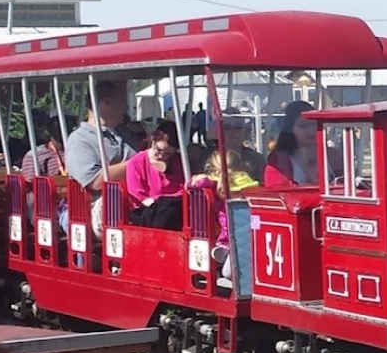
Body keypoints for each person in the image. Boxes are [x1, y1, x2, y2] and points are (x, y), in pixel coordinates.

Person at [62, 80, 137, 237]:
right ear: (106, 102)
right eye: (123, 102)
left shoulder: (122, 135)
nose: (126, 108)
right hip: (96, 209)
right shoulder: (80, 140)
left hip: (130, 200)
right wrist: (138, 164)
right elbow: (95, 180)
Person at [189, 148, 260, 282]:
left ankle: (225, 251)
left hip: (235, 232)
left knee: (228, 273)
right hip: (245, 231)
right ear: (240, 165)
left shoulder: (214, 182)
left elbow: (193, 185)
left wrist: (197, 178)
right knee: (229, 267)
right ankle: (224, 251)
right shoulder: (246, 180)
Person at [125, 121, 184, 230]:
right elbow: (139, 197)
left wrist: (162, 200)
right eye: (159, 150)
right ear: (153, 140)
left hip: (175, 208)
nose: (161, 156)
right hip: (146, 212)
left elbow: (183, 190)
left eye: (168, 154)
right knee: (168, 212)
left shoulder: (179, 161)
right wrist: (161, 201)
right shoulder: (136, 163)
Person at [263, 100, 318, 188]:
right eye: (303, 126)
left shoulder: (332, 155)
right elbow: (276, 191)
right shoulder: (278, 159)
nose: (311, 131)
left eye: (314, 124)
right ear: (290, 128)